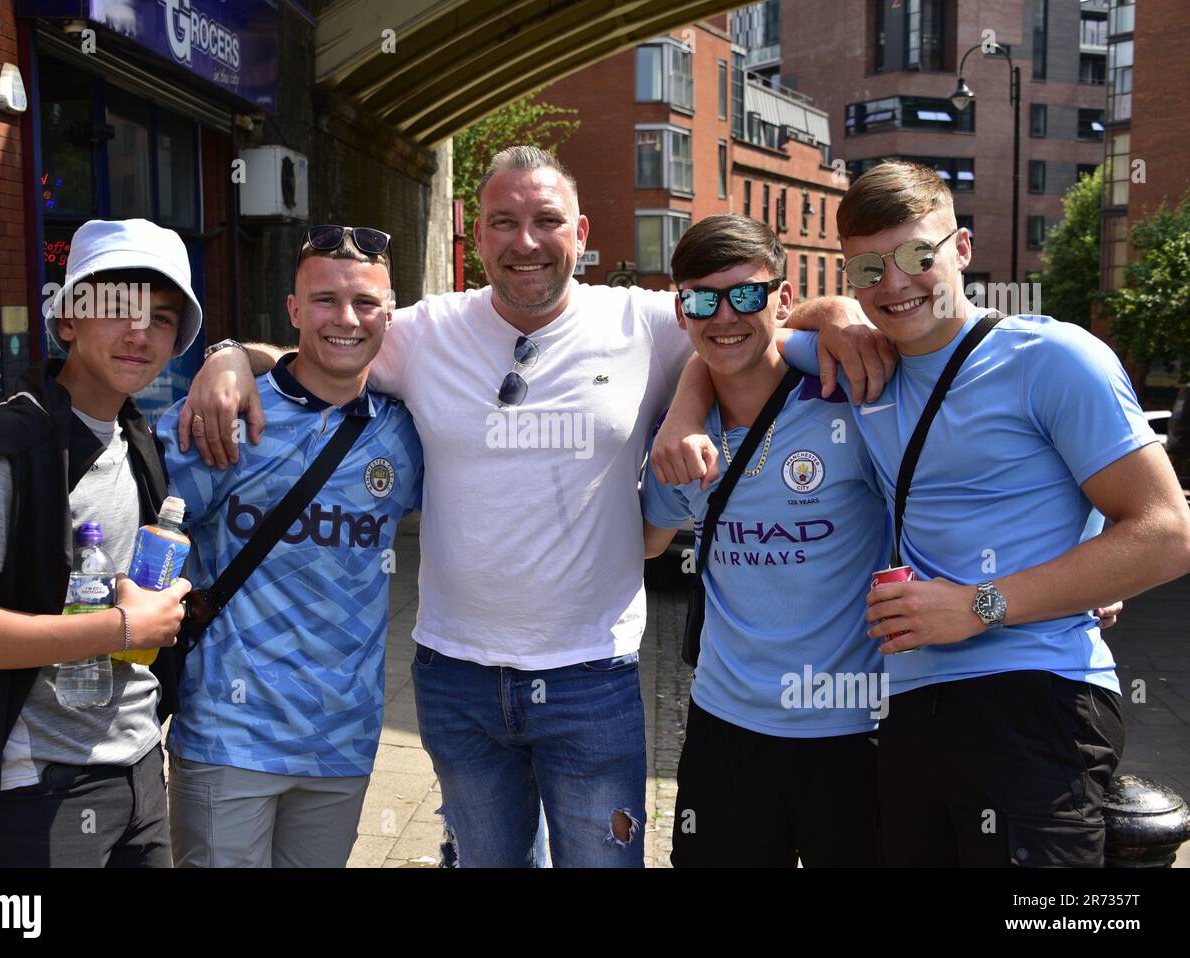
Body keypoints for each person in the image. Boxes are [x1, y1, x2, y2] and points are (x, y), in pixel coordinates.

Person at [176, 147, 891, 867]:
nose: (525, 241)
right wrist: (233, 355)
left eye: (546, 220)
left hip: (592, 677)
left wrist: (835, 321)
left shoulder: (647, 322)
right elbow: (328, 347)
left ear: (580, 232)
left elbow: (754, 327)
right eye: (503, 221)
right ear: (476, 235)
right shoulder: (423, 332)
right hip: (455, 676)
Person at [655, 161, 1190, 866]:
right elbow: (740, 340)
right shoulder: (862, 367)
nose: (896, 283)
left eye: (917, 255)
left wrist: (984, 603)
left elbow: (1166, 534)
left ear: (961, 249)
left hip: (1034, 696)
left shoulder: (1051, 356)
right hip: (909, 708)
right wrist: (683, 413)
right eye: (869, 268)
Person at [0, 218, 198, 867]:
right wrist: (120, 625)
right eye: (118, 309)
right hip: (38, 790)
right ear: (69, 318)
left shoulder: (138, 440)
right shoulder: (12, 447)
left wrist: (235, 357)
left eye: (160, 318)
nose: (140, 332)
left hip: (137, 767)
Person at [158, 227, 422, 868]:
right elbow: (132, 522)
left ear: (390, 315)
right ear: (294, 311)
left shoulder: (407, 435)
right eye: (325, 300)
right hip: (231, 733)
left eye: (364, 303)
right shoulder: (225, 415)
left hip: (342, 739)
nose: (346, 319)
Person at [642, 214, 888, 867]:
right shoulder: (678, 439)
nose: (725, 315)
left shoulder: (853, 401)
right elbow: (640, 542)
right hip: (724, 734)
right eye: (703, 298)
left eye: (747, 295)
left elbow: (955, 495)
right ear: (680, 309)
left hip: (852, 732)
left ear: (782, 299)